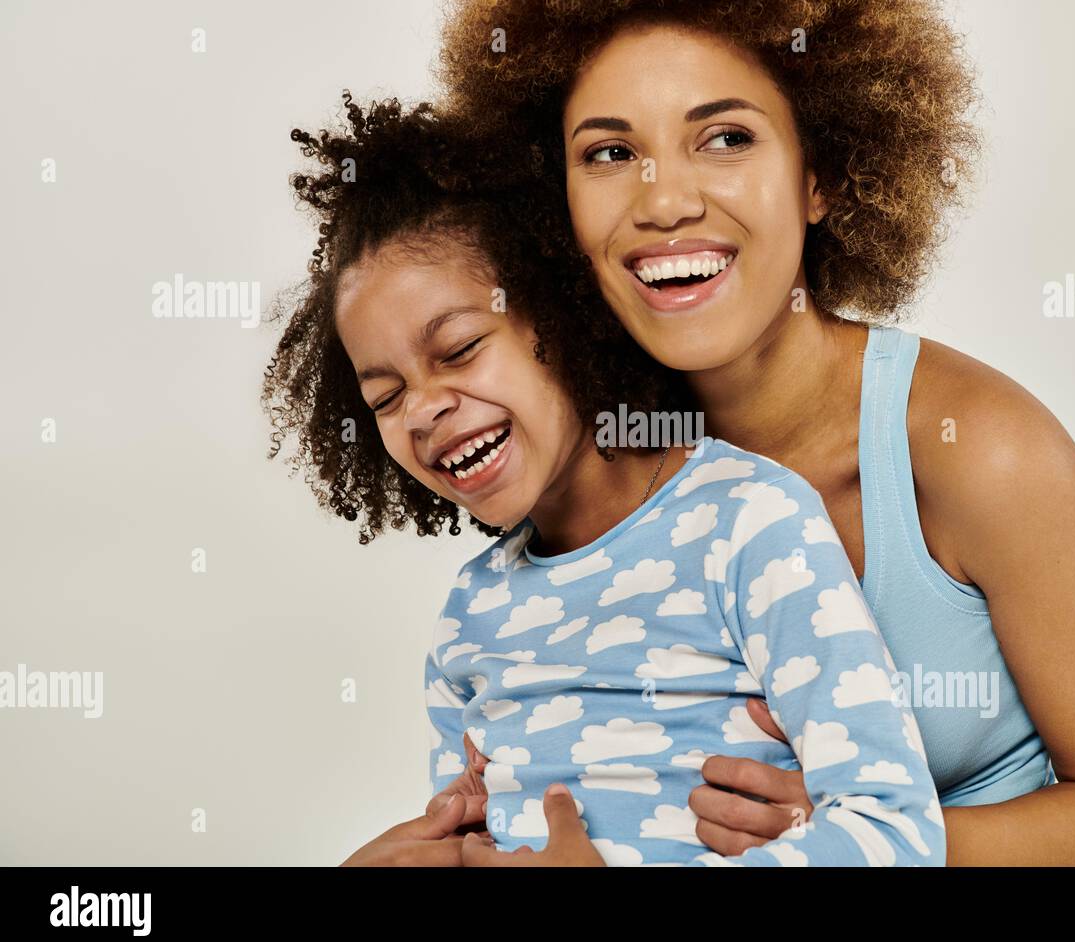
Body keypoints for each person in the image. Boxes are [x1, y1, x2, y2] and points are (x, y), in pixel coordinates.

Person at [435, 0, 1075, 864]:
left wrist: (858, 840)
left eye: (725, 137)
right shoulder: (590, 467)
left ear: (819, 175)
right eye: (609, 154)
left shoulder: (971, 446)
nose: (666, 201)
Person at [264, 94, 943, 865]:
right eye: (385, 397)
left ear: (558, 310)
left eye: (458, 349)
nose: (423, 409)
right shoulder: (470, 614)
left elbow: (894, 833)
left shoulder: (750, 523)